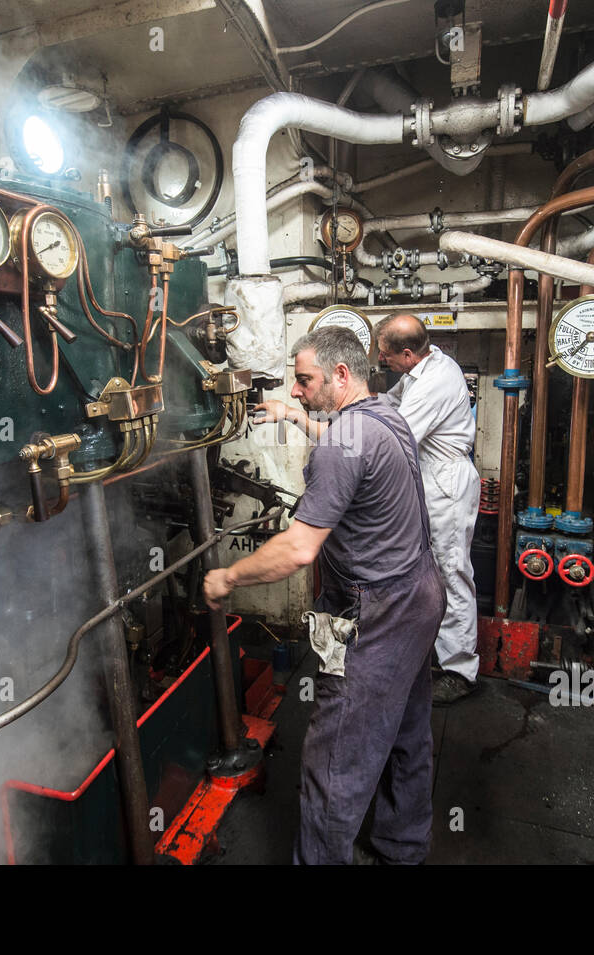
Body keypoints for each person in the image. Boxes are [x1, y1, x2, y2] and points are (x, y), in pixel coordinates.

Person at [203, 325, 445, 865]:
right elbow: (348, 447)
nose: (293, 389)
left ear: (340, 374)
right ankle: (400, 847)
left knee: (336, 761)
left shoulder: (343, 443)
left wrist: (227, 578)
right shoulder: (385, 416)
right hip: (420, 596)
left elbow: (297, 551)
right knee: (406, 733)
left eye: (302, 380)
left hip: (377, 615)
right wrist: (298, 420)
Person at [374, 314, 480, 705]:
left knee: (452, 572)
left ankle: (460, 669)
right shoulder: (423, 367)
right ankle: (435, 656)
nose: (381, 361)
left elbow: (396, 434)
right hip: (431, 480)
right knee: (430, 573)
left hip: (446, 483)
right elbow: (389, 403)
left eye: (386, 355)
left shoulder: (436, 381)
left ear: (406, 353)